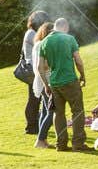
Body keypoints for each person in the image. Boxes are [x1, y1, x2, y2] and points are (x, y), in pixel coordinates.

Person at [37, 17, 86, 151]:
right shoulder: (69, 38)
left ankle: (61, 144)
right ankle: (78, 143)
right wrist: (82, 75)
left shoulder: (44, 42)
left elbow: (39, 67)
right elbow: (78, 61)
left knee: (58, 114)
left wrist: (46, 85)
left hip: (54, 83)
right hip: (70, 80)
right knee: (77, 111)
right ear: (65, 27)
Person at [21, 9, 48, 134]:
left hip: (33, 67)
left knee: (35, 98)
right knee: (34, 98)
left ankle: (35, 123)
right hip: (33, 68)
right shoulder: (32, 34)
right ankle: (31, 126)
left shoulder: (30, 32)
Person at [31, 21, 55, 147]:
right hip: (46, 80)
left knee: (45, 111)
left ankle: (43, 140)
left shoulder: (37, 44)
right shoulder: (43, 45)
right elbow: (44, 66)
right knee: (52, 112)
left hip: (40, 81)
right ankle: (40, 140)